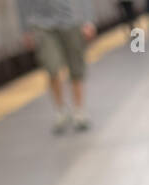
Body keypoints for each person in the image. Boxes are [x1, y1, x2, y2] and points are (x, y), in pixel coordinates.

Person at [17, 0, 96, 134]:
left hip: (72, 21)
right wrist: (25, 29)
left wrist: (88, 20)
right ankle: (61, 111)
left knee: (76, 68)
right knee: (51, 68)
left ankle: (79, 111)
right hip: (41, 24)